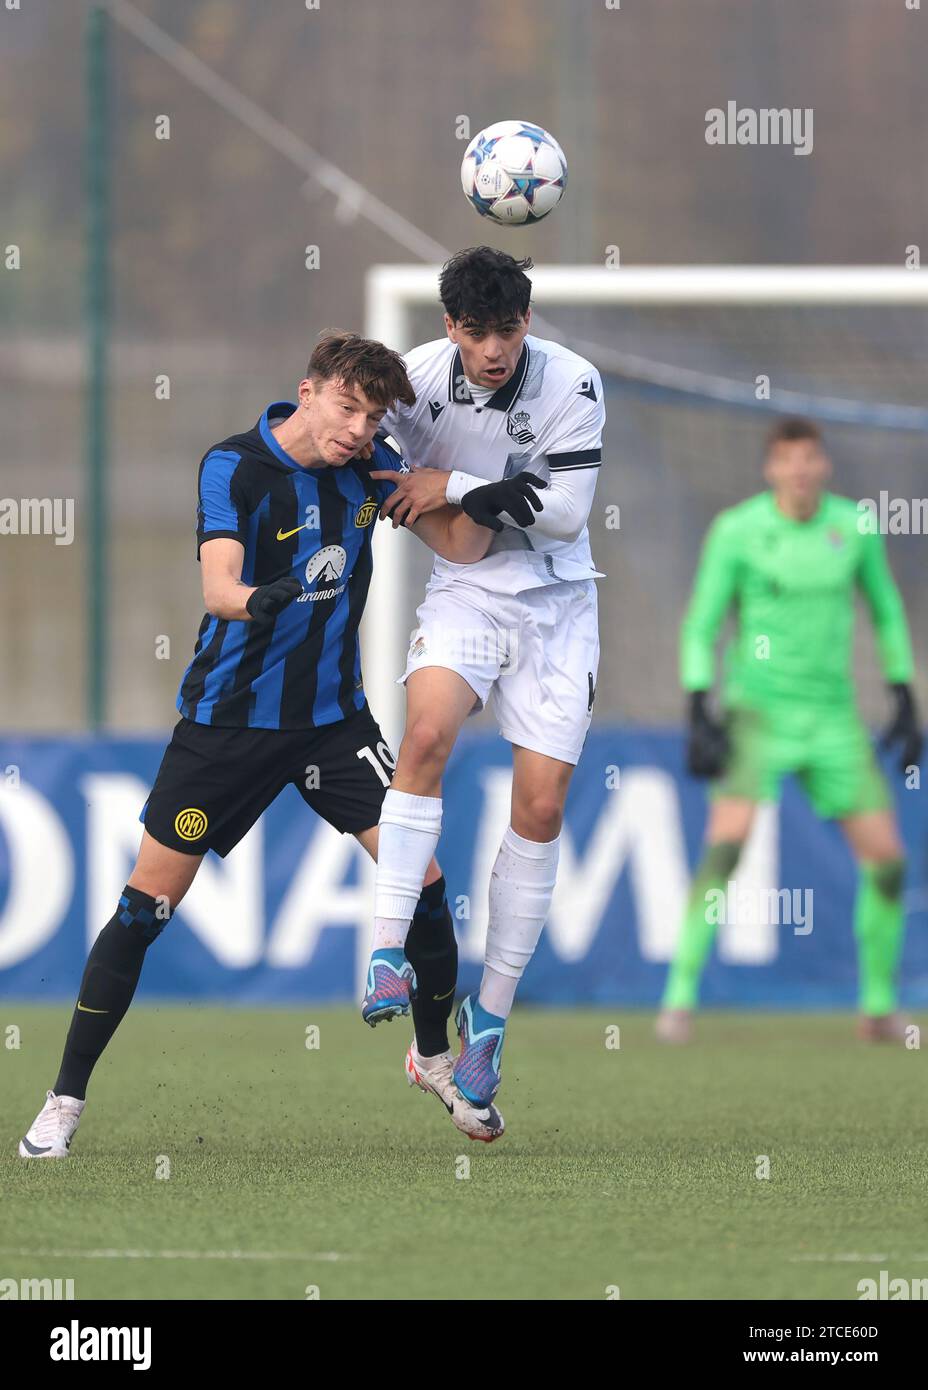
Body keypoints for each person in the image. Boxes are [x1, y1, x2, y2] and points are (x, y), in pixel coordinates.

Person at [19, 330, 514, 1159]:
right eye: (348, 408)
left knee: (424, 880)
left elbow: (464, 546)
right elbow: (218, 589)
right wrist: (268, 596)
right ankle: (63, 1099)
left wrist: (478, 496)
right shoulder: (235, 466)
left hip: (334, 723)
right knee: (144, 912)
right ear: (309, 391)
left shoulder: (373, 465)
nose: (358, 429)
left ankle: (432, 1057)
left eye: (373, 416)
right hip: (227, 726)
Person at [358, 246, 606, 1121]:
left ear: (527, 322)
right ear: (450, 326)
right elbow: (362, 443)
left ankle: (489, 1021)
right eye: (475, 331)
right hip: (467, 592)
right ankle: (388, 949)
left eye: (507, 329)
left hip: (558, 604)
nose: (493, 349)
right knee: (423, 737)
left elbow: (564, 512)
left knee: (537, 811)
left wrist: (451, 485)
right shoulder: (418, 380)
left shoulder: (573, 383)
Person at [656, 416, 922, 1043]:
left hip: (834, 718)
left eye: (810, 459)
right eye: (787, 460)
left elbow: (886, 611)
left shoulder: (854, 527)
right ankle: (679, 998)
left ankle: (879, 1007)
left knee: (886, 861)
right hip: (757, 714)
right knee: (725, 849)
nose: (800, 471)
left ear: (824, 465)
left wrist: (904, 690)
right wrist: (698, 702)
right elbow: (701, 623)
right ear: (770, 468)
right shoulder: (738, 531)